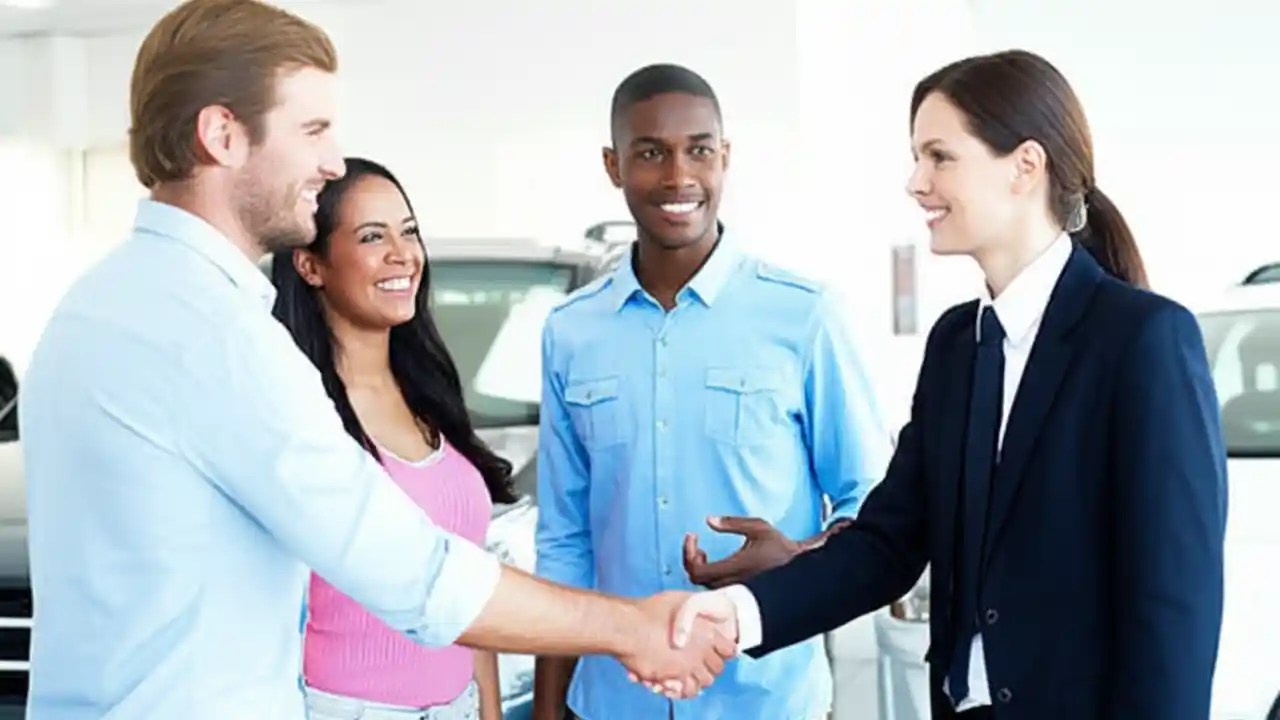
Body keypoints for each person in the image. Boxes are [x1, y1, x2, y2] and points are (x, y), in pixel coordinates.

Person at [17, 2, 732, 718]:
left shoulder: (91, 307)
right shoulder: (216, 334)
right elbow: (412, 574)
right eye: (313, 130)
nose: (331, 162)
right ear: (222, 135)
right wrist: (633, 627)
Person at [671, 49, 1228, 720]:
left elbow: (1174, 607)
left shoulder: (1143, 340)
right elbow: (888, 542)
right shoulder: (957, 346)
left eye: (940, 157)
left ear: (1025, 166)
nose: (915, 182)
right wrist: (735, 616)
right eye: (917, 157)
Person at [531, 63, 892, 720]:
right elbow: (564, 540)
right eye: (649, 153)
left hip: (766, 701)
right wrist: (551, 710)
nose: (678, 176)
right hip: (614, 701)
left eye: (699, 150)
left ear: (725, 157)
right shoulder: (570, 332)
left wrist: (802, 554)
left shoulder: (806, 315)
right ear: (613, 166)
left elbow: (875, 505)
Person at [270, 157, 509, 719]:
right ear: (310, 265)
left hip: (459, 705)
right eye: (373, 236)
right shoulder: (298, 412)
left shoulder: (431, 392)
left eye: (409, 231)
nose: (403, 254)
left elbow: (467, 593)